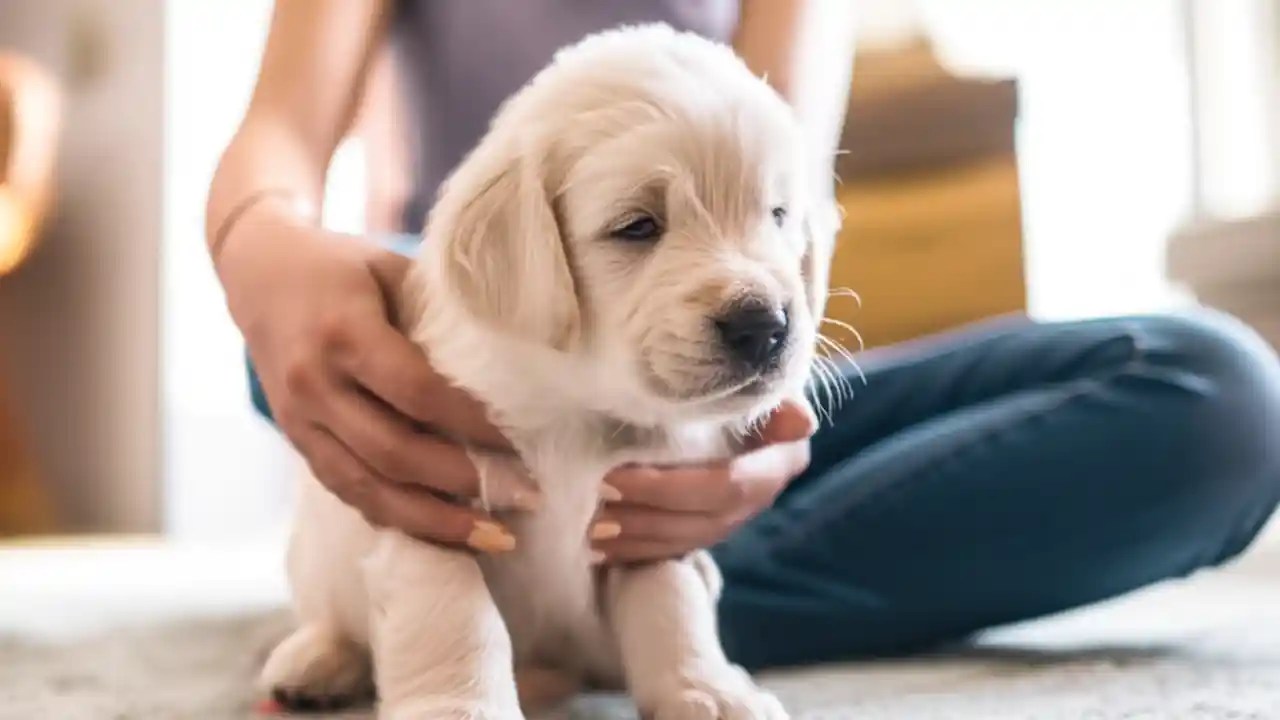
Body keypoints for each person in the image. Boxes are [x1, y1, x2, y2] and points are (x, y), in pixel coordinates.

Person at [207, 0, 1280, 670]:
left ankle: (625, 599)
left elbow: (786, 211)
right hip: (467, 364)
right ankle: (575, 603)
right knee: (317, 346)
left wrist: (766, 431)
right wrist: (262, 248)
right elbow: (279, 136)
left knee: (1218, 397)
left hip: (720, 398)